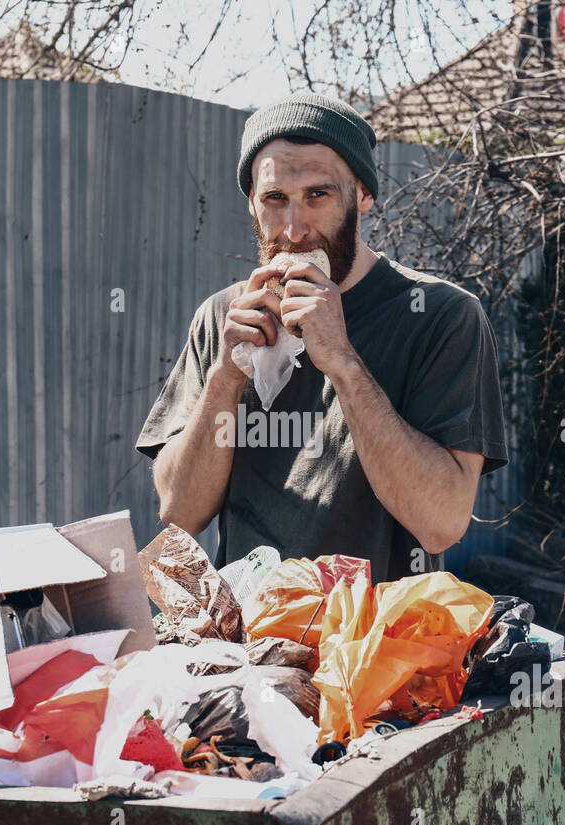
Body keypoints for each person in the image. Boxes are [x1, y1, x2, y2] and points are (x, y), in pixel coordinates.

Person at [134, 92, 509, 583]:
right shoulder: (224, 317)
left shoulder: (442, 316)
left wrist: (343, 363)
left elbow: (441, 525)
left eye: (318, 195)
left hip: (377, 644)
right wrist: (226, 376)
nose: (294, 230)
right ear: (251, 201)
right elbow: (179, 513)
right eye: (275, 199)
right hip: (253, 644)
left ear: (363, 195)